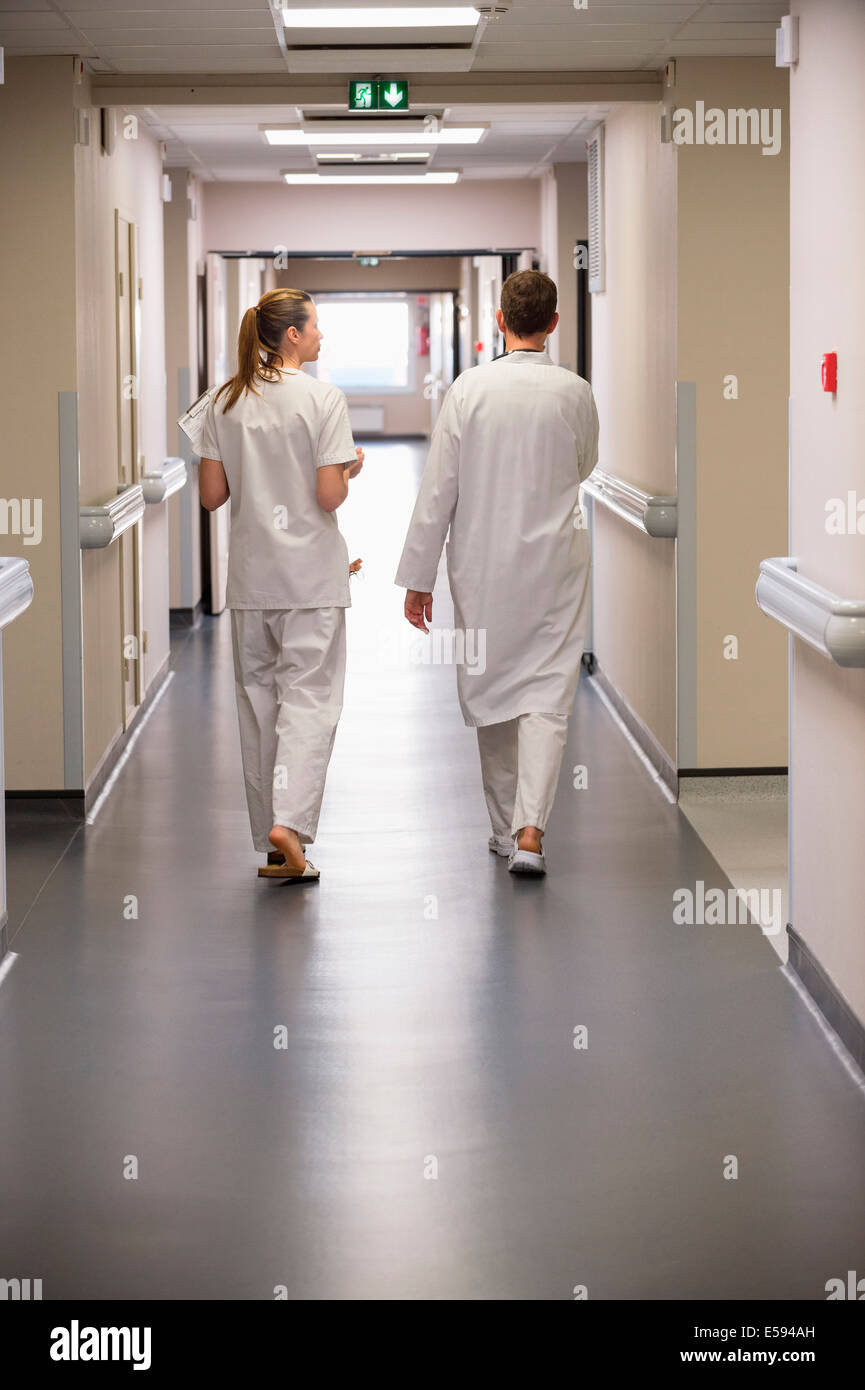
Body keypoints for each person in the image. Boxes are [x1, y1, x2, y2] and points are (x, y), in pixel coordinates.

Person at [395, 270, 599, 877]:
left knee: (493, 694)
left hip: (483, 567)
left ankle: (503, 828)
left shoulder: (468, 391)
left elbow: (439, 491)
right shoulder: (575, 392)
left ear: (500, 322)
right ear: (555, 323)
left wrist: (419, 577)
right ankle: (531, 830)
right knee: (548, 696)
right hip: (557, 564)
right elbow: (586, 464)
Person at [178, 289, 363, 882]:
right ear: (291, 336)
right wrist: (348, 469)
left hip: (253, 582)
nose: (320, 337)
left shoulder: (223, 400)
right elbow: (329, 495)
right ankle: (290, 822)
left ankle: (273, 844)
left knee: (258, 705)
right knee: (309, 703)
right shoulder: (322, 398)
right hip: (310, 581)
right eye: (314, 329)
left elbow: (211, 497)